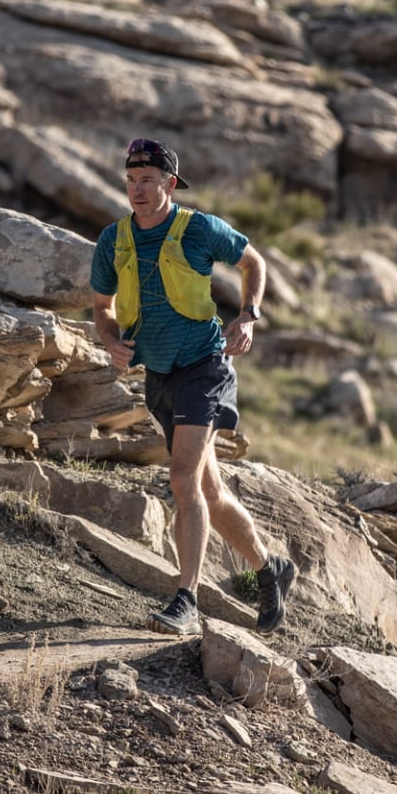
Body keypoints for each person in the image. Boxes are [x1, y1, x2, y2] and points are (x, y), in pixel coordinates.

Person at [89, 137, 296, 636]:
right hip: (159, 374)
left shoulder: (198, 229)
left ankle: (187, 600)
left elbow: (254, 263)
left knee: (182, 479)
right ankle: (270, 568)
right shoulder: (114, 240)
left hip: (205, 366)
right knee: (209, 491)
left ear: (170, 184)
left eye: (148, 180)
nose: (137, 190)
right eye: (131, 180)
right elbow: (101, 308)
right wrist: (112, 341)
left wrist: (248, 315)